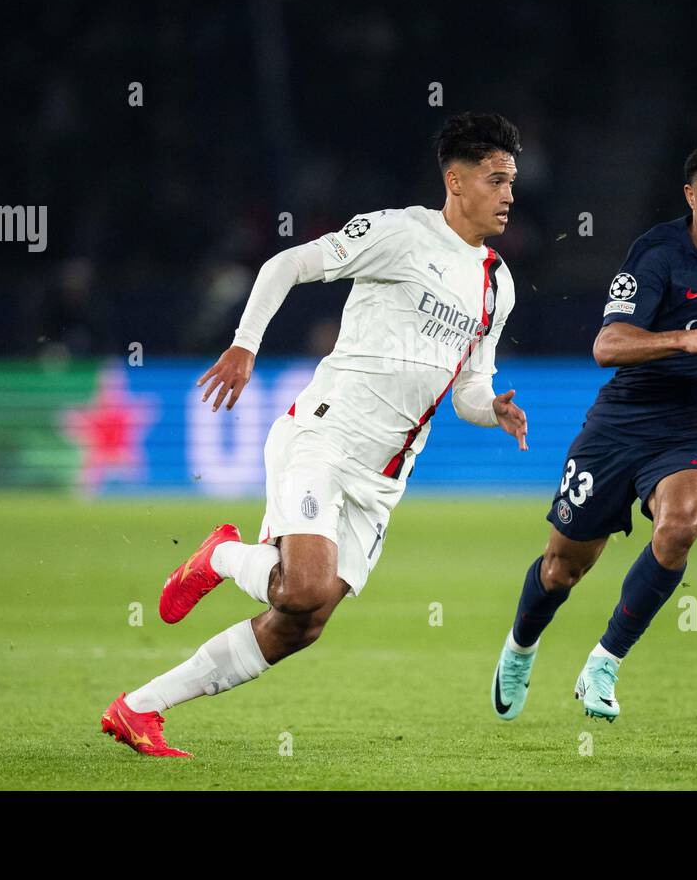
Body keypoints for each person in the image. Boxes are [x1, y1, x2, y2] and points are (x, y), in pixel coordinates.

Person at [102, 112, 529, 756]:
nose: (508, 195)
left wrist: (492, 408)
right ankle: (219, 555)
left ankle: (140, 708)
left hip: (382, 479)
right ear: (457, 181)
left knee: (302, 623)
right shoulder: (399, 233)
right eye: (497, 179)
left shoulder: (498, 283)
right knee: (300, 586)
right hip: (324, 438)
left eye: (512, 181)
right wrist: (245, 346)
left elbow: (470, 385)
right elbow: (284, 265)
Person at [491, 137, 697, 723]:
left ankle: (606, 662)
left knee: (679, 528)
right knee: (562, 568)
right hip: (621, 430)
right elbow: (606, 345)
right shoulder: (657, 255)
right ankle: (520, 647)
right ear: (691, 196)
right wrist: (684, 337)